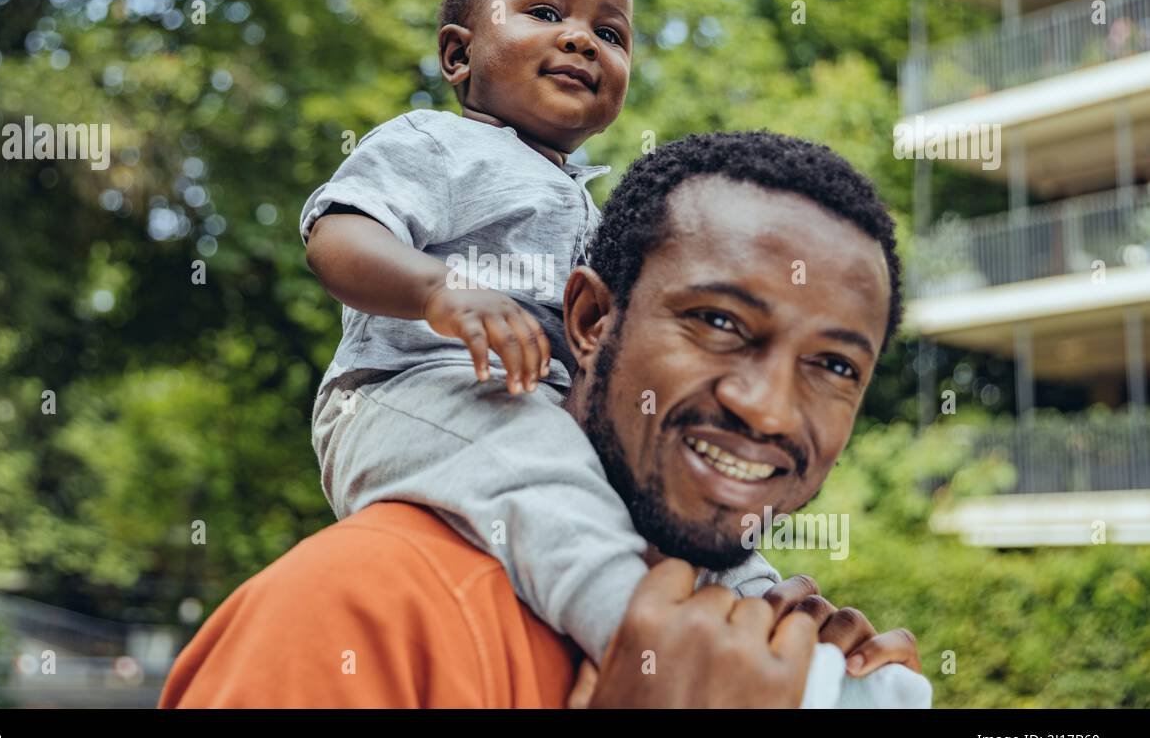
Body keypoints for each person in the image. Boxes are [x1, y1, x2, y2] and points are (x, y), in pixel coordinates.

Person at [160, 131, 922, 708]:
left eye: (834, 366)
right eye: (719, 323)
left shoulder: (772, 659)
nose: (768, 407)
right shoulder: (354, 610)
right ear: (590, 319)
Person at [300, 0, 787, 667]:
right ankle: (639, 642)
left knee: (664, 477)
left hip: (545, 411)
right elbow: (336, 235)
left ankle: (778, 622)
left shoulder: (597, 212)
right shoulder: (435, 143)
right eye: (546, 13)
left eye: (612, 34)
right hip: (409, 391)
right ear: (460, 54)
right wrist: (438, 289)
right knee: (536, 470)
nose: (583, 39)